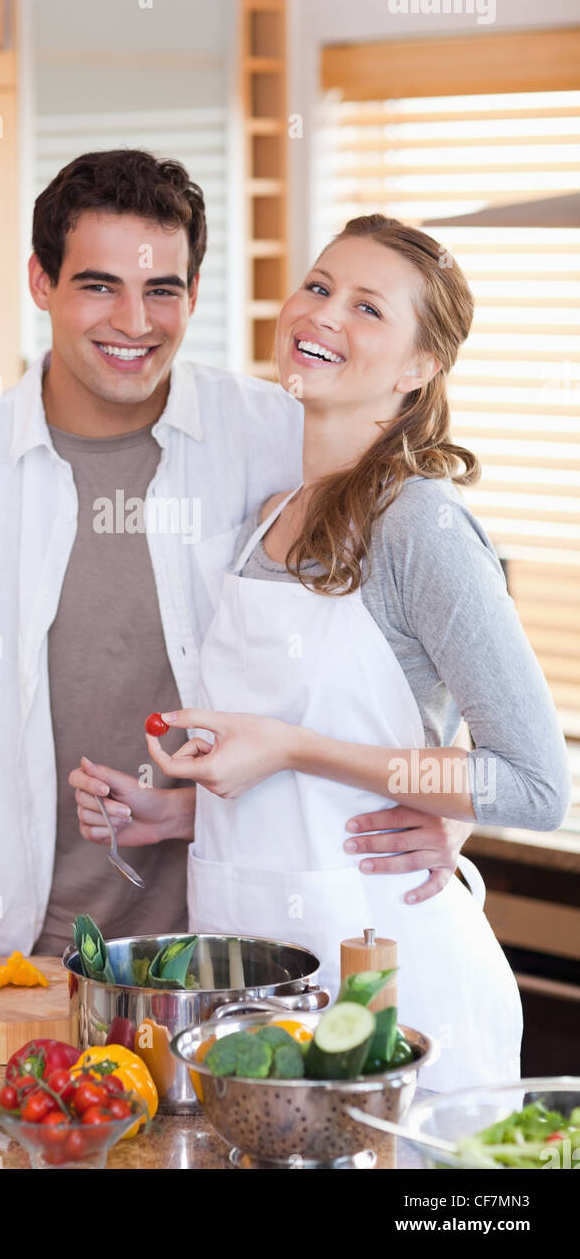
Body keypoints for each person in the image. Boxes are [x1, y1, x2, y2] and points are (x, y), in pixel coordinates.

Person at [0, 162, 472, 1007]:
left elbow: (436, 635)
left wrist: (452, 812)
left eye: (162, 289)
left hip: (259, 951)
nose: (133, 322)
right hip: (26, 962)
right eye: (98, 286)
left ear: (194, 293)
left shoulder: (280, 433)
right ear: (40, 283)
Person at [77, 215, 572, 1091]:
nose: (324, 314)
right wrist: (181, 814)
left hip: (395, 1001)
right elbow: (297, 791)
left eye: (368, 307)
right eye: (318, 286)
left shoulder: (421, 526)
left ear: (421, 369)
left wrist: (297, 748)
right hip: (257, 988)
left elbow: (534, 784)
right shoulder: (267, 518)